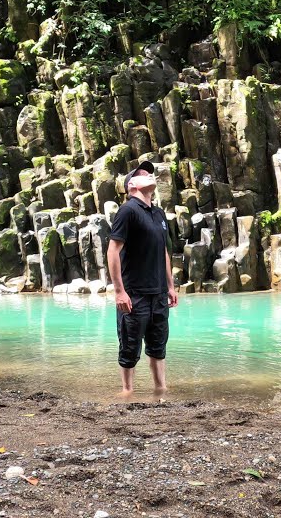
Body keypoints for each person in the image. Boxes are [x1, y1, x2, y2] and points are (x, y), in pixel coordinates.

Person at [106, 160, 178, 396]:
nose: (149, 175)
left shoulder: (158, 213)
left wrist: (170, 285)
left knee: (158, 343)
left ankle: (161, 389)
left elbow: (164, 252)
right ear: (132, 186)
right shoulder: (127, 211)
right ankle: (127, 391)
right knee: (129, 344)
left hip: (158, 292)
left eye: (150, 173)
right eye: (142, 174)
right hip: (134, 292)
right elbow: (113, 250)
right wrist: (119, 291)